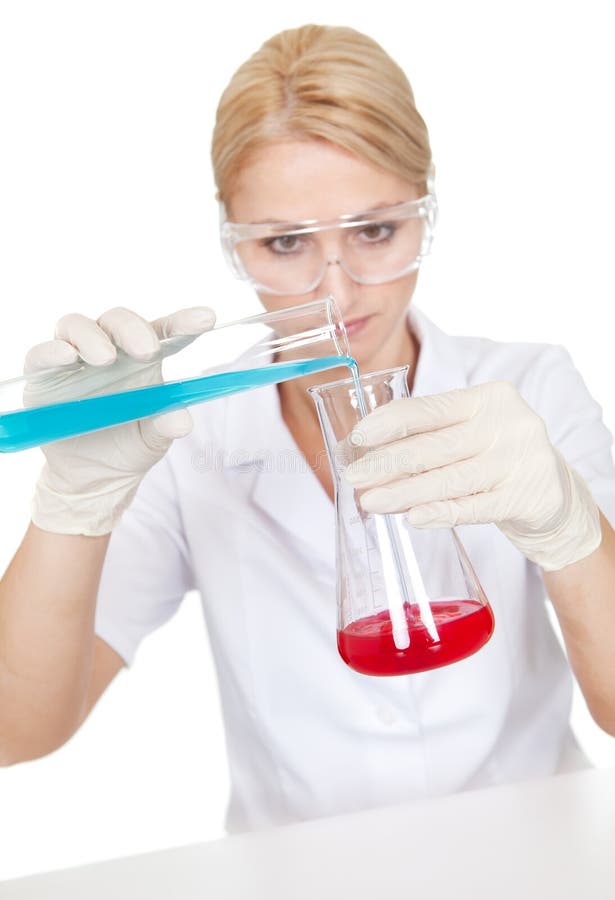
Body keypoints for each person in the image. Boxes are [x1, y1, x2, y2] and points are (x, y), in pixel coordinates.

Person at [1, 24, 615, 834]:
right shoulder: (186, 435)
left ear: (424, 214)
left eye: (374, 230)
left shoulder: (527, 386)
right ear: (233, 240)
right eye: (285, 243)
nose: (337, 288)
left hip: (537, 864)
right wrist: (69, 504)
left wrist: (570, 531)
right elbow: (19, 730)